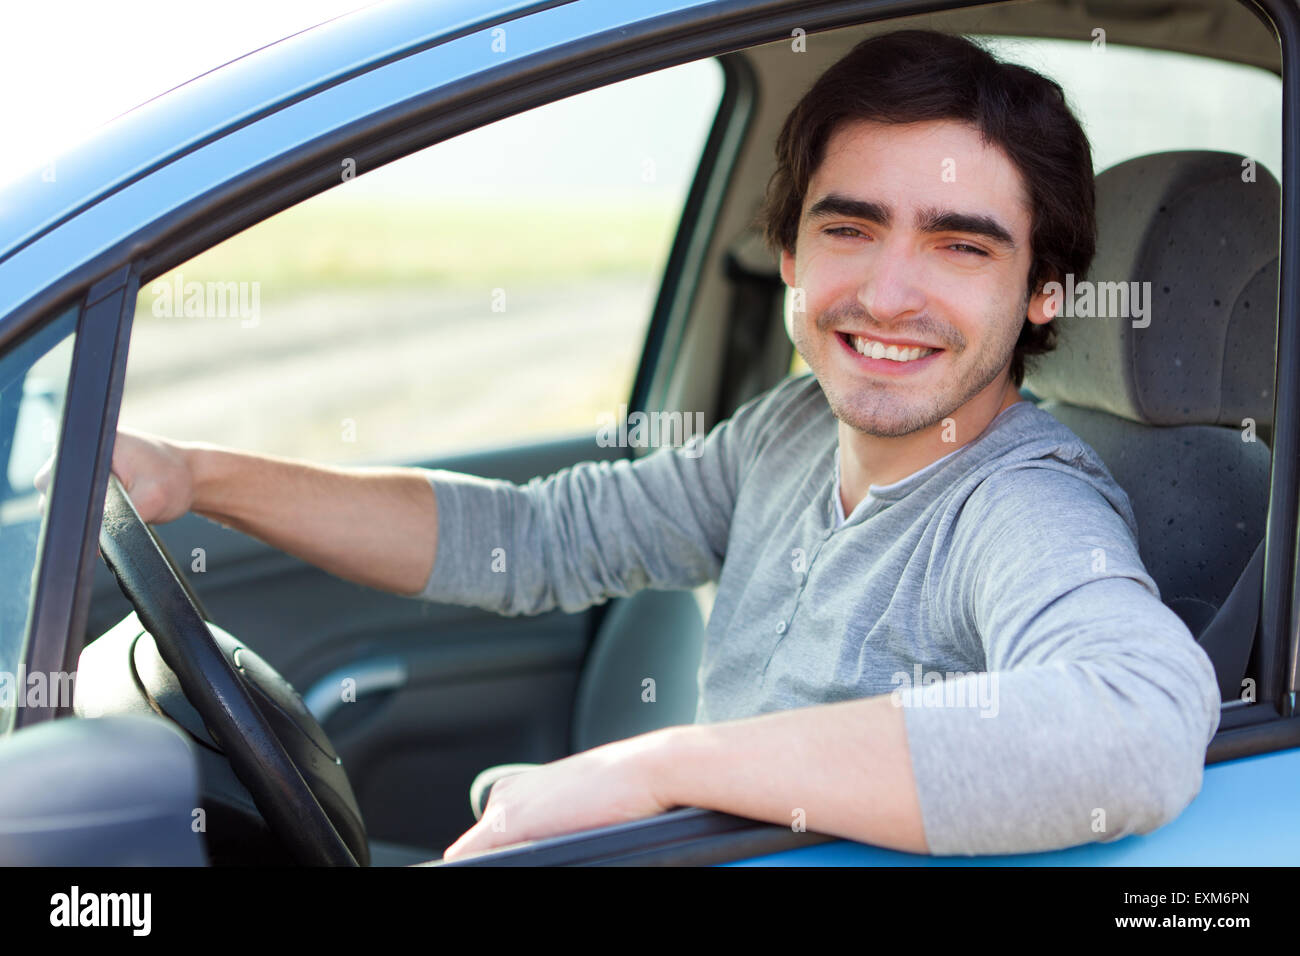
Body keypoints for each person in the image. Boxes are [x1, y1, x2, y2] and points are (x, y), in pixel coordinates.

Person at [51, 29, 1221, 861]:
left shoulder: (1022, 505)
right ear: (794, 259)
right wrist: (196, 477)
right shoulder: (790, 429)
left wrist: (656, 767)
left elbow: (1134, 723)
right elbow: (529, 538)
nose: (887, 291)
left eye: (961, 247)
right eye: (849, 227)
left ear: (1043, 297)